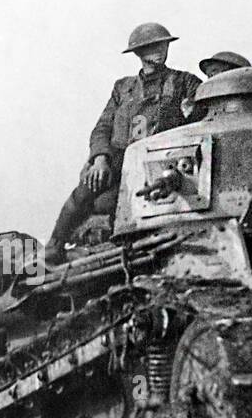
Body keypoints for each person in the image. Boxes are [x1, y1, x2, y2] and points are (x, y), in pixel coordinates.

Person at [43, 22, 201, 265]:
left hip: (163, 157)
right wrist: (100, 159)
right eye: (150, 47)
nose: (159, 51)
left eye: (162, 45)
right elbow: (102, 127)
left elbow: (206, 112)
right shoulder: (123, 88)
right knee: (88, 188)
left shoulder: (183, 82)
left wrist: (194, 111)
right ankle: (55, 243)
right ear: (138, 53)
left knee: (131, 205)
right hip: (121, 157)